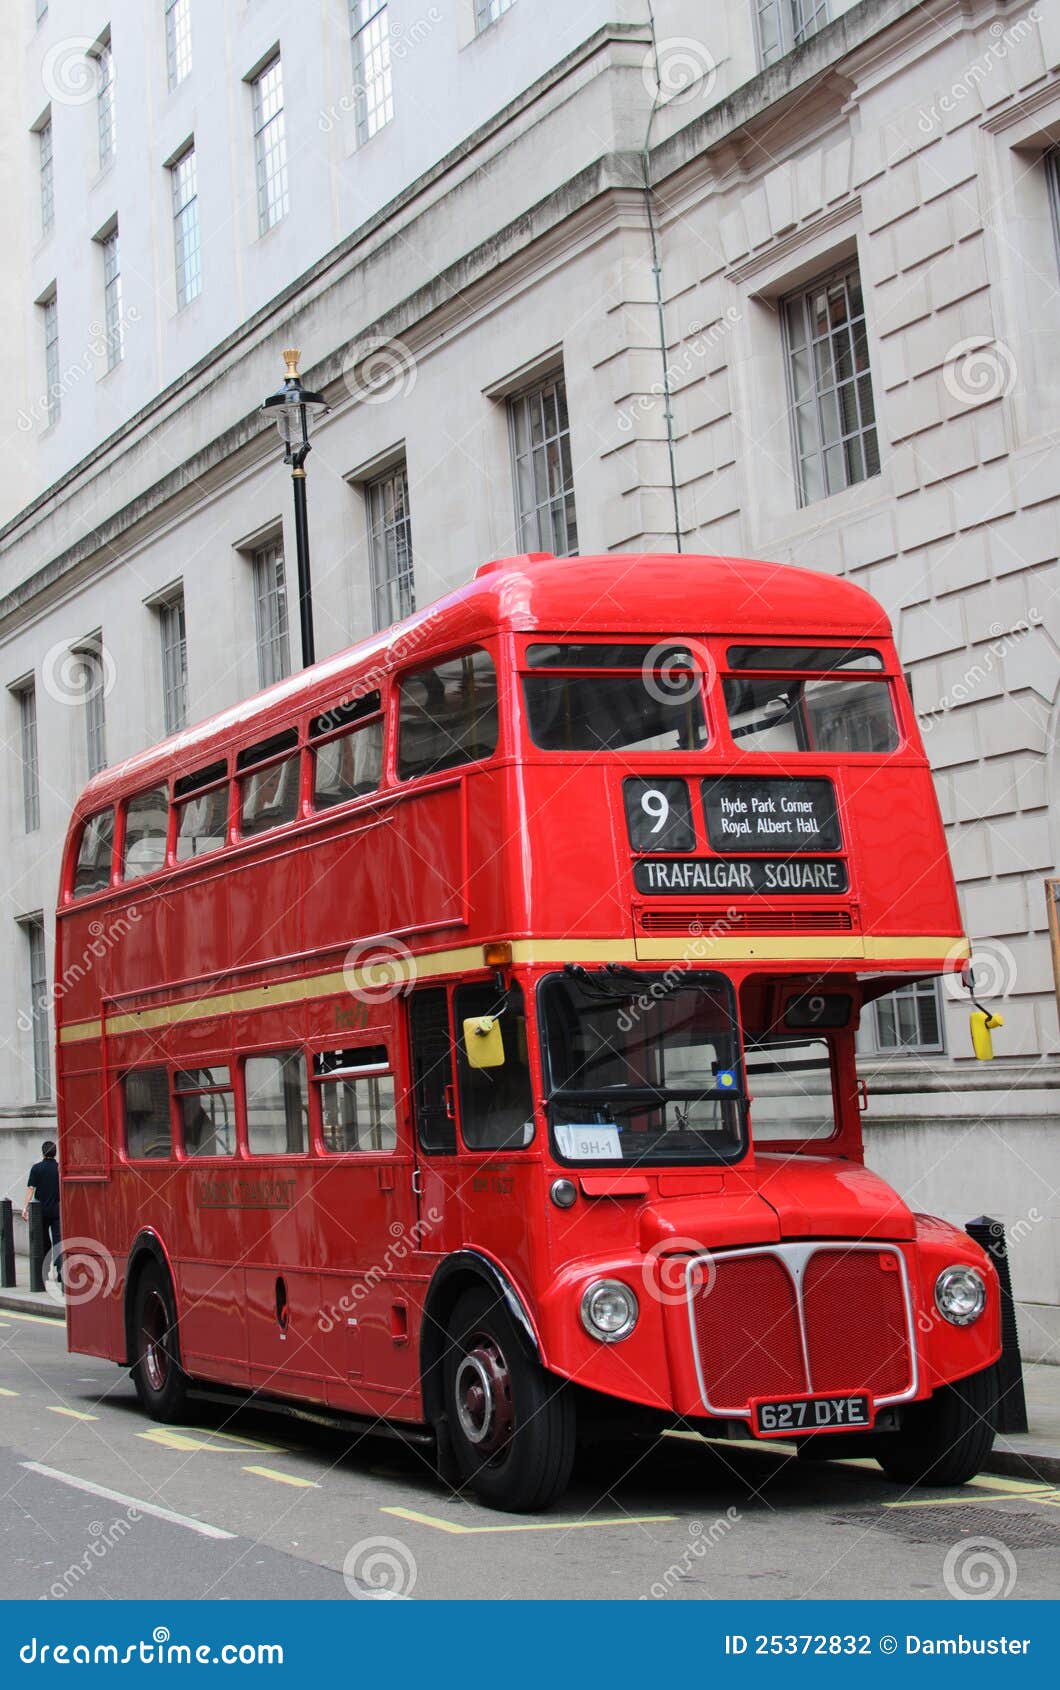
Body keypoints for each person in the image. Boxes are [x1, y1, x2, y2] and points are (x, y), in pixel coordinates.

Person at [22, 1140, 61, 1287]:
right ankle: (61, 1273)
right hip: (57, 1211)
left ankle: (44, 1271)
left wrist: (25, 1207)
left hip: (41, 1212)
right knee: (59, 1242)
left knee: (44, 1242)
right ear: (55, 1153)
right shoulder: (59, 1168)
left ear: (43, 1152)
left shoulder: (36, 1168)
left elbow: (31, 1189)